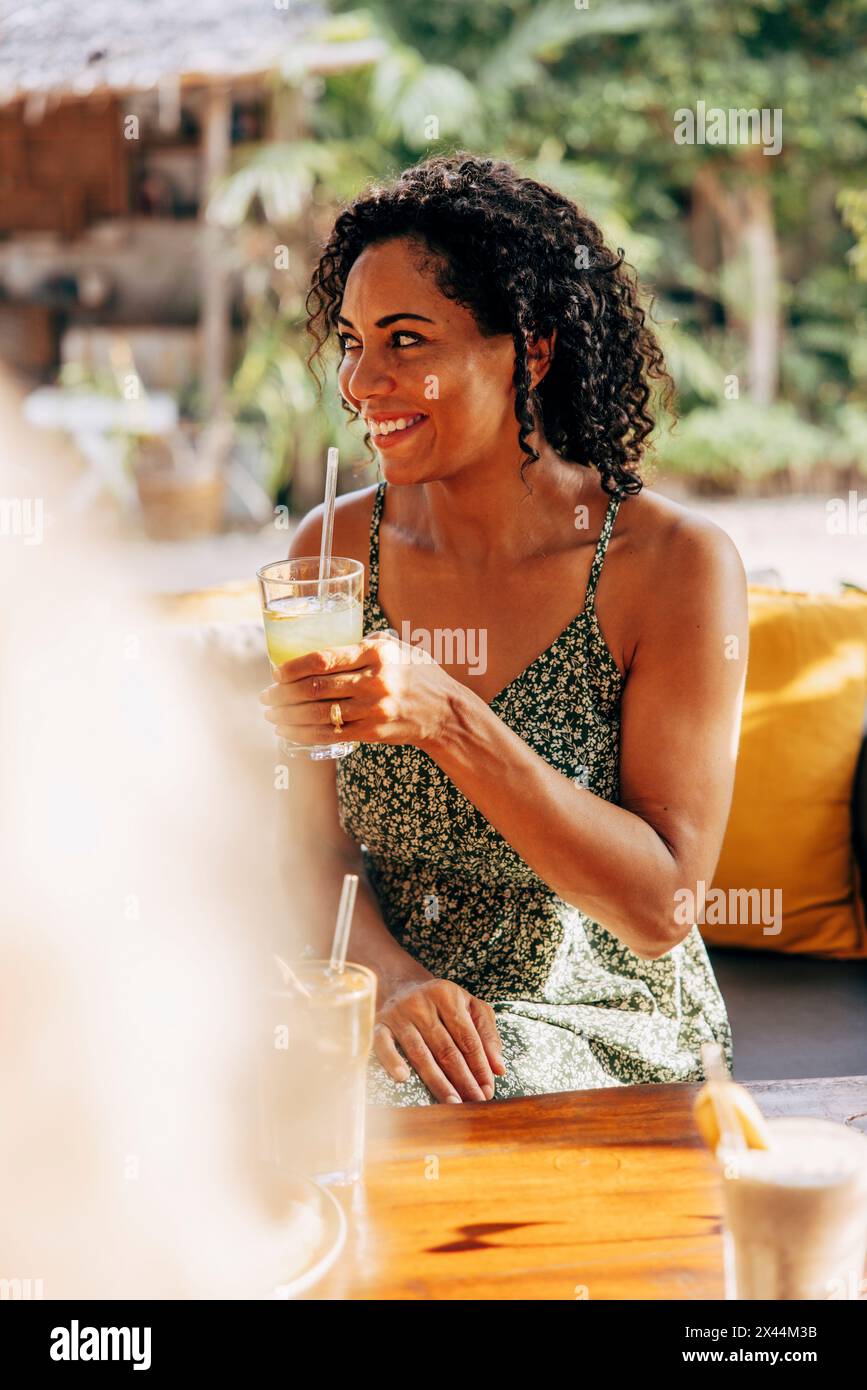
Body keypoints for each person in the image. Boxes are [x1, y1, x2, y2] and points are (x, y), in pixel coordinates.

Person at [261, 153, 748, 1107]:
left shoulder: (671, 566)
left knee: (359, 1117)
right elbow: (313, 853)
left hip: (592, 1012)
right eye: (353, 341)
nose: (361, 381)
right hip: (389, 998)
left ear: (530, 348)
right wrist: (388, 982)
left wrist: (450, 718)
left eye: (407, 341)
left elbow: (662, 906)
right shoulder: (333, 549)